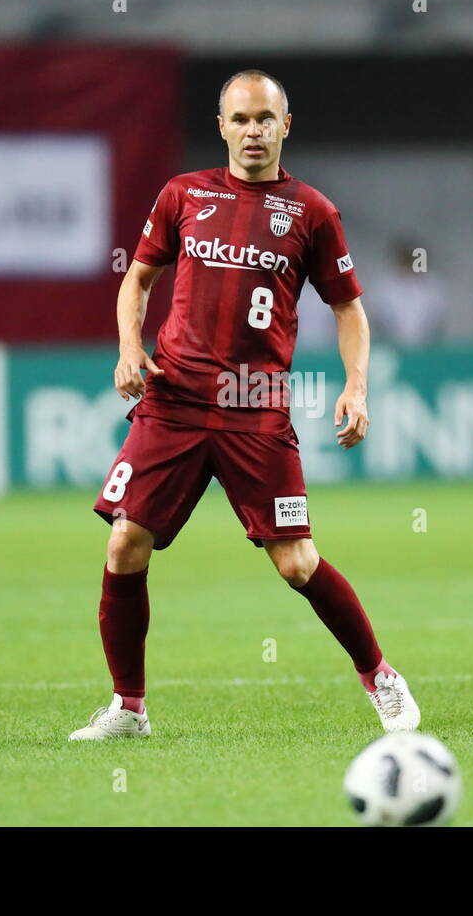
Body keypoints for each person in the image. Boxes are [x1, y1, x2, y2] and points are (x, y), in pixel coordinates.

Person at [69, 69, 420, 740]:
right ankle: (129, 708)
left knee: (297, 562)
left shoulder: (311, 212)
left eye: (264, 118)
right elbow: (138, 278)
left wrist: (356, 385)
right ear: (223, 126)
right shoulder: (183, 195)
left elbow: (348, 307)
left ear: (285, 125)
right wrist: (126, 346)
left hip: (254, 406)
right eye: (240, 119)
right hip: (172, 400)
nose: (252, 130)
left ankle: (379, 675)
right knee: (124, 547)